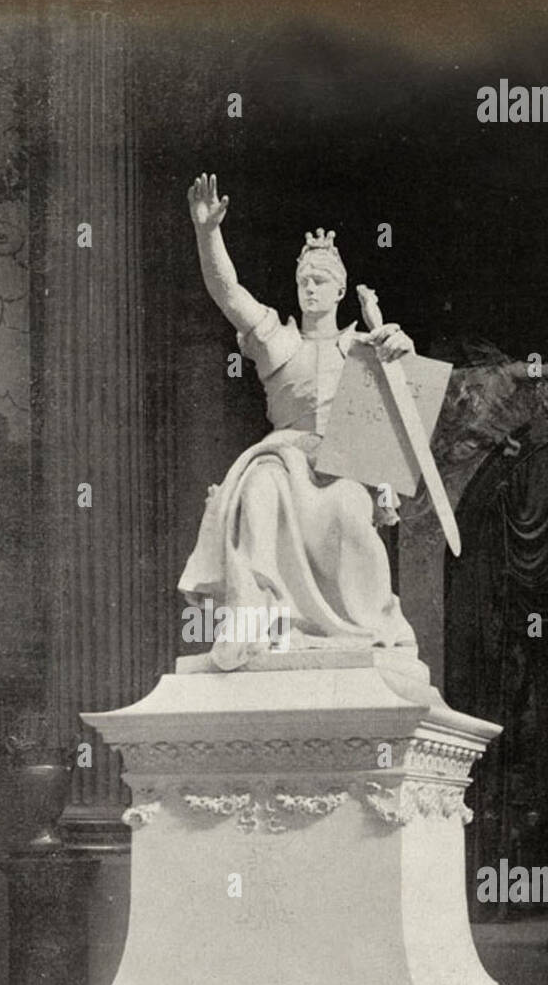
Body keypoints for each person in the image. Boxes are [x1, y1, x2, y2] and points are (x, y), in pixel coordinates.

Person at [179, 174, 419, 668]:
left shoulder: (361, 346)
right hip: (281, 459)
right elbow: (229, 294)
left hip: (341, 470)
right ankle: (253, 622)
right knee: (257, 489)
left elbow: (403, 411)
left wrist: (399, 350)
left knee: (351, 515)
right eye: (304, 281)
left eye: (321, 281)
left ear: (340, 291)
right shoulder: (276, 341)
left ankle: (365, 627)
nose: (310, 288)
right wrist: (208, 235)